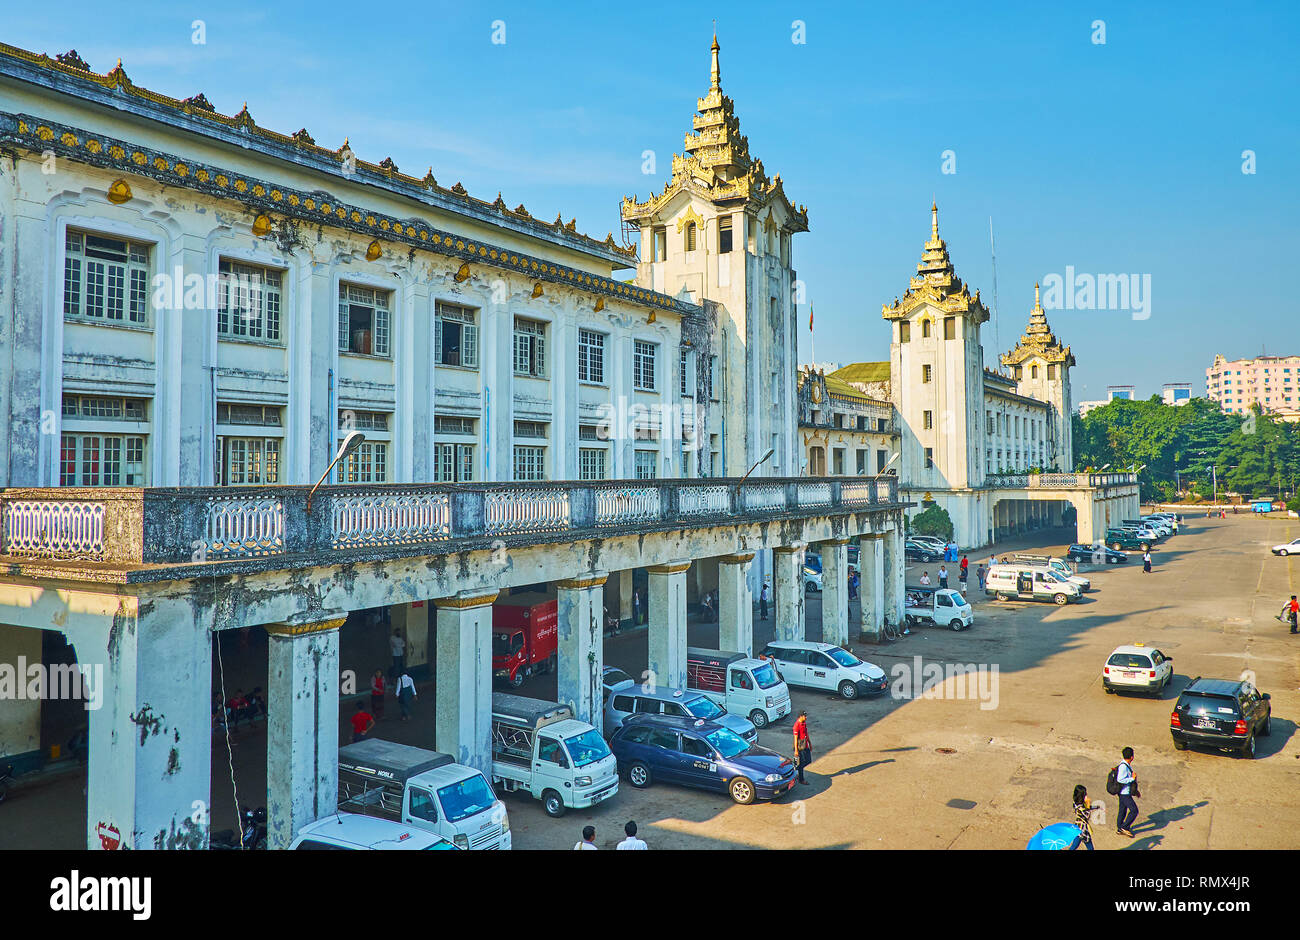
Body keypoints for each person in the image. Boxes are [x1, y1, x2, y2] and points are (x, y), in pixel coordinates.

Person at [1115, 747, 1139, 838]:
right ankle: (1124, 827)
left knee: (1122, 810)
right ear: (1132, 757)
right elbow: (1120, 779)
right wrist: (1132, 778)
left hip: (1124, 792)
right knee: (1134, 810)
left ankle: (1119, 828)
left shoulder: (1126, 764)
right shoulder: (1123, 767)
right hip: (1124, 793)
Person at [1069, 784, 1095, 851]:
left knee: (1074, 846)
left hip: (1078, 826)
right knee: (1090, 847)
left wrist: (1095, 807)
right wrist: (1088, 803)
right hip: (1083, 829)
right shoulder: (1081, 807)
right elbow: (1087, 815)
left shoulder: (1075, 803)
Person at [793, 710, 812, 784]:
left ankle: (797, 770)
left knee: (808, 761)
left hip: (805, 745)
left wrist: (810, 743)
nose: (806, 717)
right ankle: (801, 779)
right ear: (801, 716)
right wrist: (796, 750)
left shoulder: (804, 723)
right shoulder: (796, 726)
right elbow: (795, 738)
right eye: (805, 716)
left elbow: (806, 733)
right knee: (802, 762)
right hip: (800, 747)